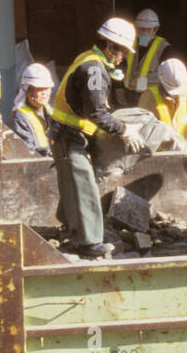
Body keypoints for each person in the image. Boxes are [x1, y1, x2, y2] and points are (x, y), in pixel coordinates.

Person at [48, 17, 145, 257]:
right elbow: (96, 112)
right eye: (122, 51)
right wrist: (123, 130)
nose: (123, 56)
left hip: (69, 134)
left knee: (74, 183)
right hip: (69, 135)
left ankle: (72, 228)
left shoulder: (88, 59)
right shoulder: (94, 69)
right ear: (111, 46)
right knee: (83, 186)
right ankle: (89, 243)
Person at [139, 58, 187, 167]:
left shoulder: (186, 92)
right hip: (158, 158)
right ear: (161, 82)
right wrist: (167, 142)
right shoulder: (149, 97)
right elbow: (142, 131)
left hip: (184, 155)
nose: (174, 95)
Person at [121, 8, 172, 106]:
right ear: (136, 28)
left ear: (155, 29)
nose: (145, 32)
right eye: (141, 29)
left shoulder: (164, 48)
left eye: (149, 29)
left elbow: (169, 76)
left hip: (150, 98)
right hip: (129, 94)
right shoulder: (129, 43)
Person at [10, 63, 53, 156]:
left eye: (47, 88)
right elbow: (27, 149)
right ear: (28, 91)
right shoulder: (20, 118)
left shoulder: (50, 112)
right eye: (40, 89)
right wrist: (49, 152)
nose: (44, 93)